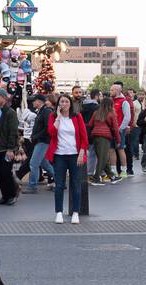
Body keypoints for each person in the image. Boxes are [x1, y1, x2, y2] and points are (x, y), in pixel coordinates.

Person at [46, 93, 88, 223]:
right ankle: (59, 212)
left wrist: (82, 152)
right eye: (61, 102)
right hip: (59, 155)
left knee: (75, 183)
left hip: (74, 154)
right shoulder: (53, 116)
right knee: (59, 184)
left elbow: (84, 136)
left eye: (66, 102)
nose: (64, 104)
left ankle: (75, 212)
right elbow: (51, 133)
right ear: (58, 104)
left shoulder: (77, 117)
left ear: (70, 104)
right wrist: (58, 117)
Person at [88, 100, 119, 185]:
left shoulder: (96, 113)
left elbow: (90, 124)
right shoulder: (111, 114)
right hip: (105, 137)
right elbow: (115, 128)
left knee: (103, 157)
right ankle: (96, 178)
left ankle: (112, 176)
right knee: (103, 158)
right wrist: (118, 140)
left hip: (95, 136)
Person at [29, 94, 56, 189]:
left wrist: (35, 136)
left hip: (43, 141)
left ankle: (32, 186)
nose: (32, 102)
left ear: (39, 102)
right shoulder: (42, 111)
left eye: (34, 100)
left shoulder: (46, 112)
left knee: (33, 163)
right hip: (41, 141)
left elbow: (47, 128)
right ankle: (59, 181)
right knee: (45, 164)